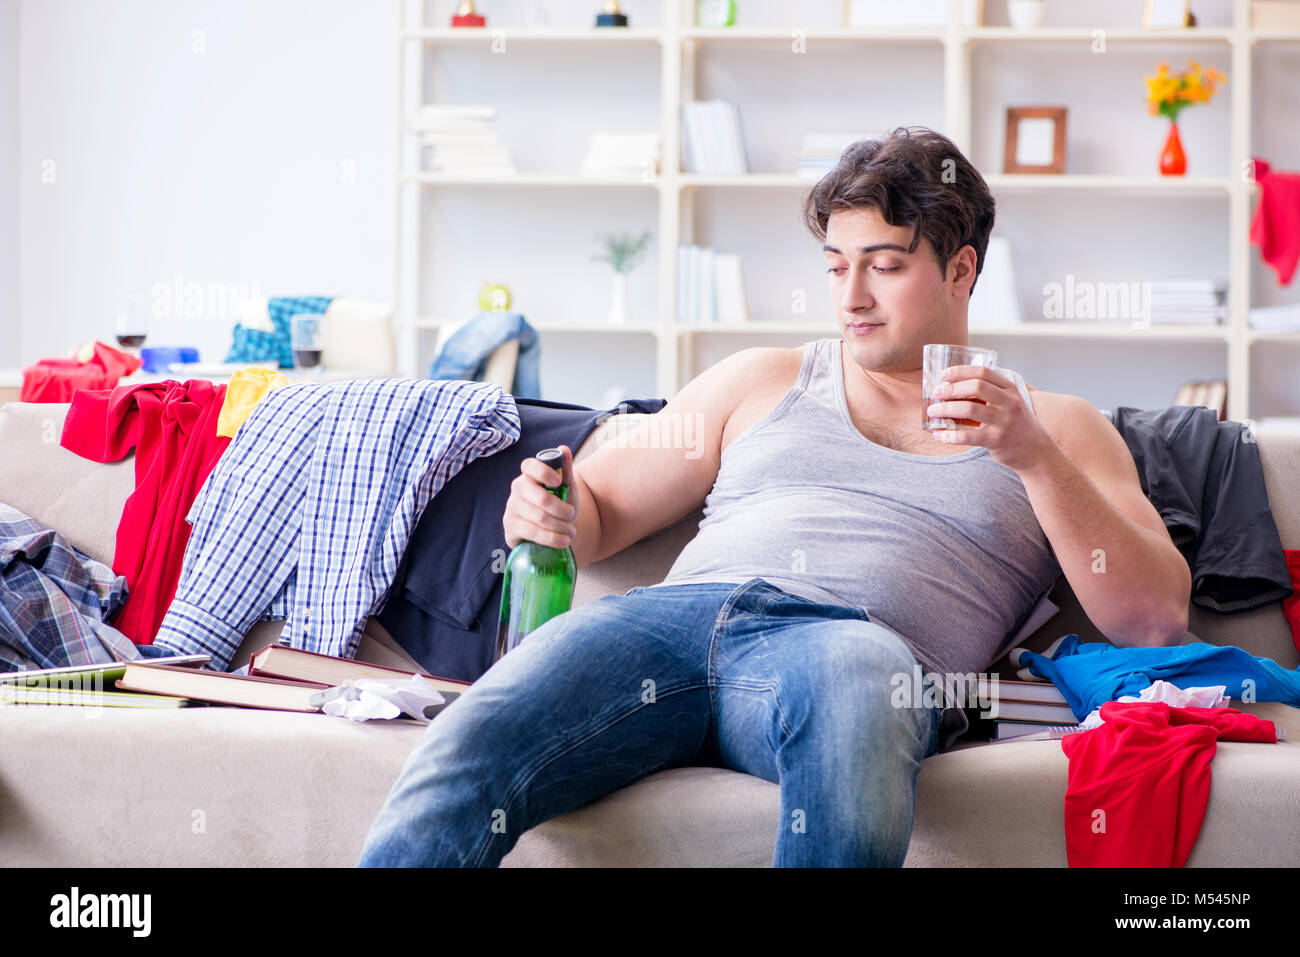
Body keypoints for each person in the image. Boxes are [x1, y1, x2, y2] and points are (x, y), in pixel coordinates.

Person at [358, 126, 1191, 868]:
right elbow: (599, 512)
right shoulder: (764, 376)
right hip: (665, 626)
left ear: (961, 269)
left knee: (859, 684)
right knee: (466, 743)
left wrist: (1033, 457)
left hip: (850, 650)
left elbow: (1152, 619)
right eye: (836, 267)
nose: (851, 297)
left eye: (885, 266)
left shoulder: (1056, 425)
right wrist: (550, 510)